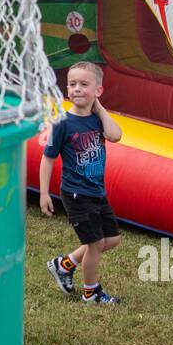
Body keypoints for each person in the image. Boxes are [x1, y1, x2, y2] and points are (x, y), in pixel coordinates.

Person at [39, 61, 124, 305]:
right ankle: (91, 292)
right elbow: (47, 158)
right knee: (95, 243)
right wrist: (44, 193)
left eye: (84, 85)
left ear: (98, 91)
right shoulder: (62, 123)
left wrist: (99, 109)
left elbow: (116, 135)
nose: (77, 89)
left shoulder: (98, 120)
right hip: (76, 193)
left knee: (112, 240)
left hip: (97, 190)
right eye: (72, 84)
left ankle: (64, 264)